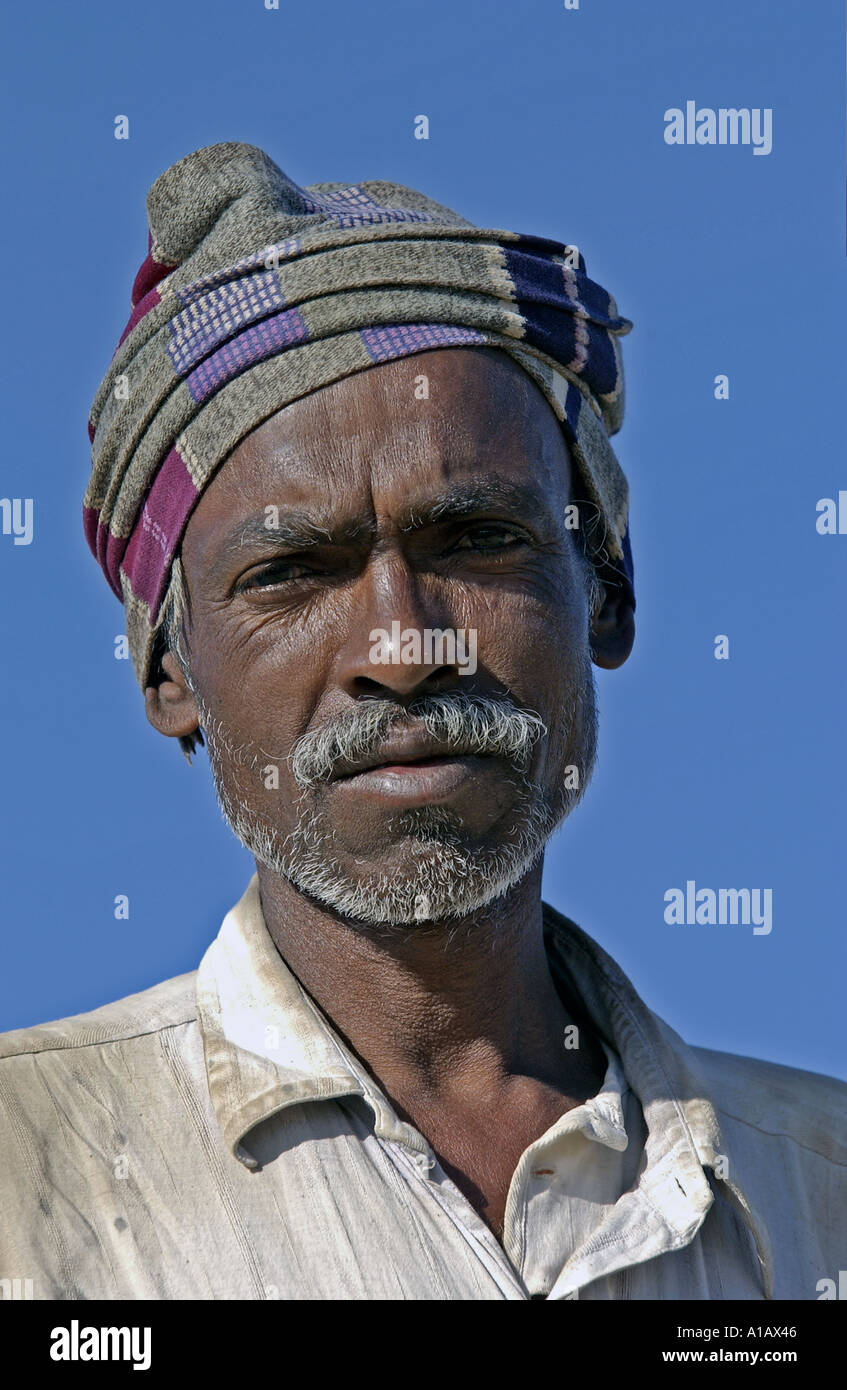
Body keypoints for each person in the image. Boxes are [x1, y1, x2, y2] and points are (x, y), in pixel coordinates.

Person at [0, 143, 843, 1301]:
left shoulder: (819, 1194)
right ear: (169, 673)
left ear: (603, 590)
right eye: (293, 571)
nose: (402, 648)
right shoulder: (26, 1178)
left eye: (475, 539)